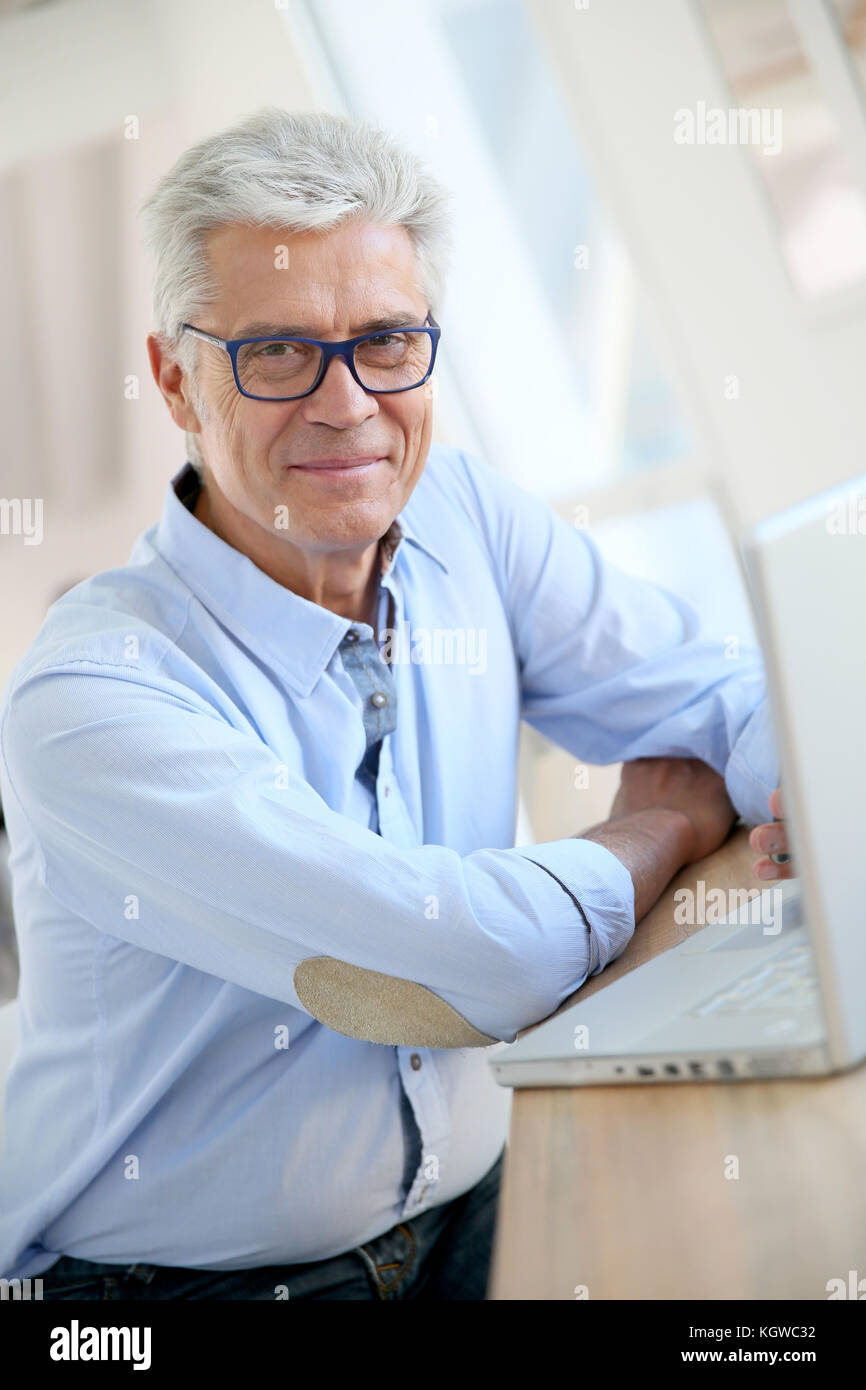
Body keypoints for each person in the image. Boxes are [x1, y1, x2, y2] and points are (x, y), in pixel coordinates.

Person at [0, 108, 791, 1301]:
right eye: (275, 353)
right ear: (173, 378)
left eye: (384, 341)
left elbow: (724, 696)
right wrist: (660, 829)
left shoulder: (465, 519)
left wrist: (803, 795)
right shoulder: (90, 697)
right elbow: (459, 956)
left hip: (471, 1208)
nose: (346, 404)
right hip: (171, 1294)